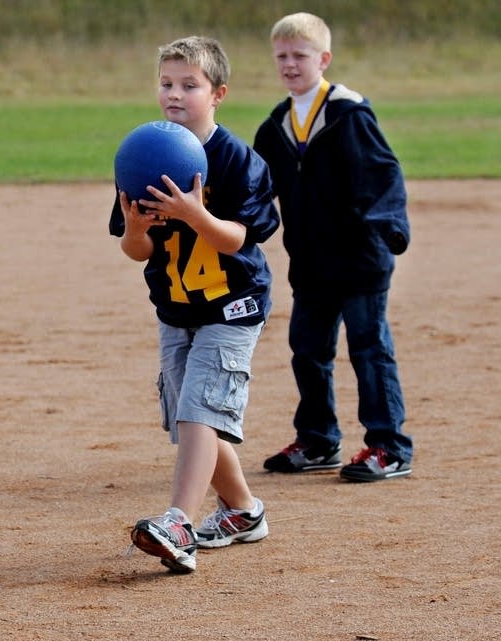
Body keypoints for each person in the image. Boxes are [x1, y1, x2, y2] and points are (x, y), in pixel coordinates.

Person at [110, 36, 279, 573]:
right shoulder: (147, 152)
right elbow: (135, 249)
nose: (174, 94)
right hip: (177, 311)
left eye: (190, 84)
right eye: (166, 83)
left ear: (218, 93)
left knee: (200, 411)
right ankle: (245, 511)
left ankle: (179, 521)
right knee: (189, 419)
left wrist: (193, 213)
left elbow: (241, 238)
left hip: (233, 307)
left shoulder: (235, 159)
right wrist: (136, 228)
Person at [253, 13, 413, 483]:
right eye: (281, 56)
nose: (289, 64)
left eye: (299, 55)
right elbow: (257, 186)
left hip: (361, 259)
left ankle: (389, 446)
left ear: (323, 59)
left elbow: (383, 173)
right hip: (312, 262)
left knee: (369, 348)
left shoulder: (348, 114)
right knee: (307, 349)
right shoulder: (277, 126)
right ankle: (319, 439)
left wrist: (389, 225)